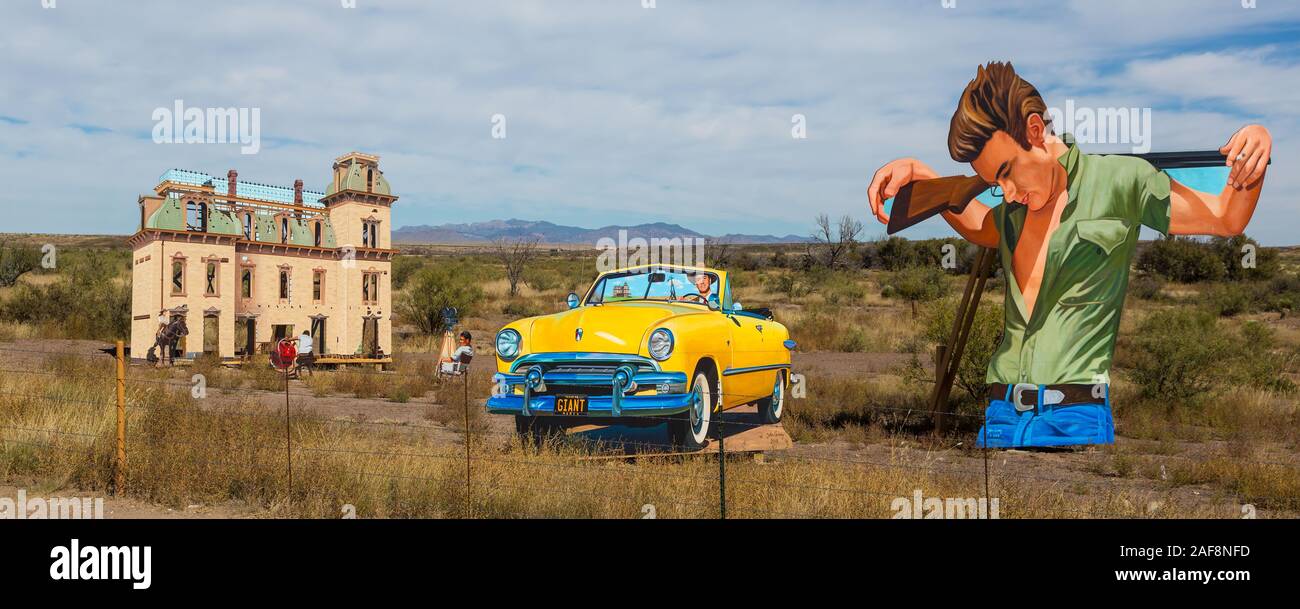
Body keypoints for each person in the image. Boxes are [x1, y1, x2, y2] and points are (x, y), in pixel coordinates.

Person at [866, 61, 1270, 448]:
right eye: (993, 182)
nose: (1005, 192)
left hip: (1076, 420)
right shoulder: (1011, 215)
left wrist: (1257, 145)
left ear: (1036, 130)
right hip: (1000, 415)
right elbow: (976, 225)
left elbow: (1224, 218)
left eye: (1007, 171)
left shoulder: (1119, 180)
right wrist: (921, 173)